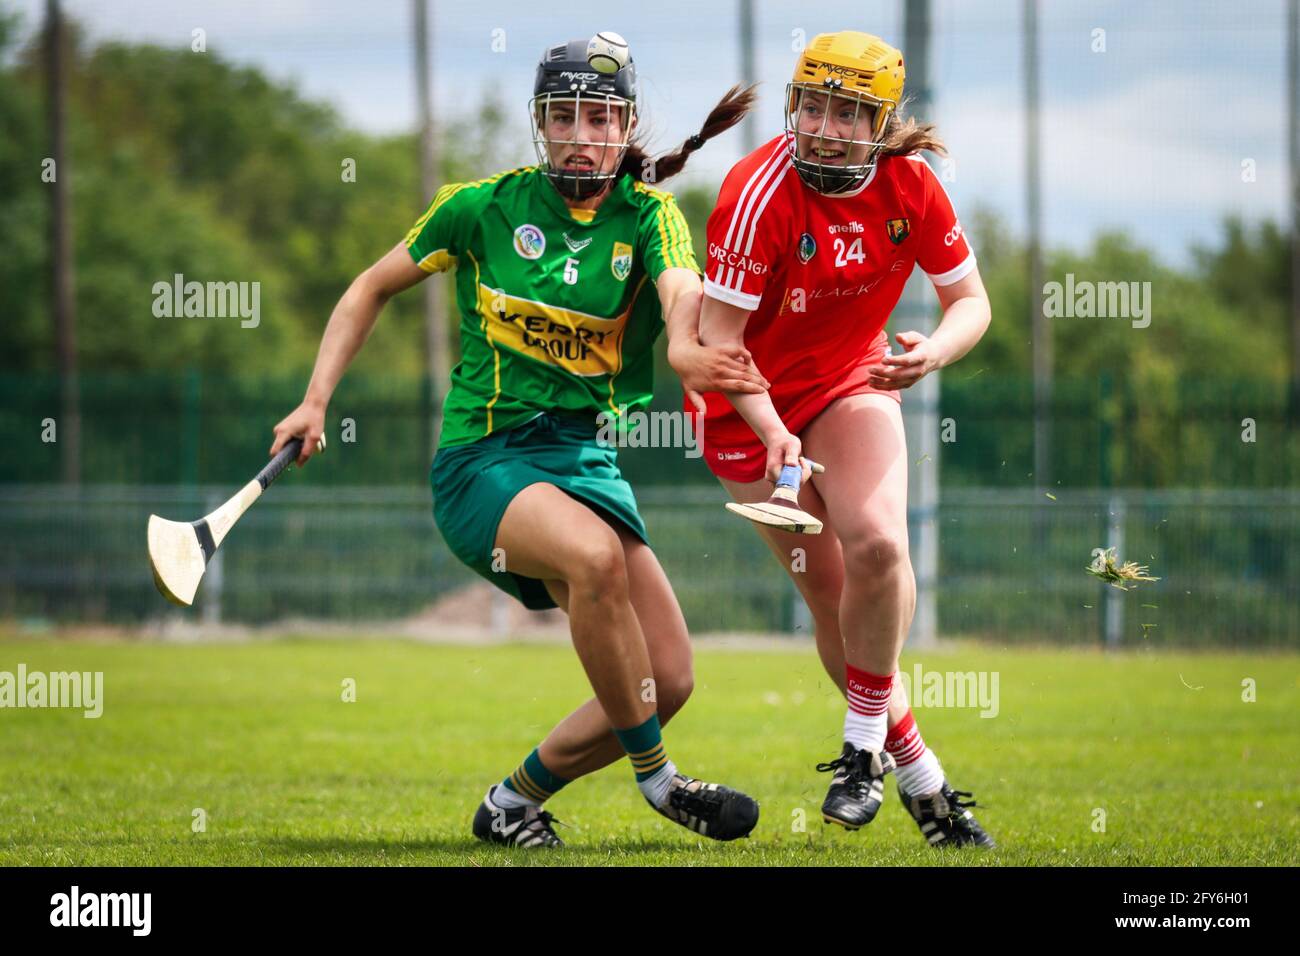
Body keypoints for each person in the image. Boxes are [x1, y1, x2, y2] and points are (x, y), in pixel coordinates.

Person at [271, 37, 768, 848]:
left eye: (601, 118)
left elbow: (681, 294)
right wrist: (314, 400)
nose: (582, 133)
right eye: (564, 115)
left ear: (627, 124)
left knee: (665, 680)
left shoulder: (649, 218)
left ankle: (512, 802)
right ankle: (661, 784)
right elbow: (367, 287)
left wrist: (685, 346)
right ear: (540, 124)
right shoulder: (480, 206)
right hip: (483, 464)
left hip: (584, 461)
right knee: (595, 560)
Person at [687, 30, 996, 847]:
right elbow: (720, 348)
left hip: (850, 377)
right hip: (740, 408)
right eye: (813, 105)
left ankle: (860, 753)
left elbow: (972, 304)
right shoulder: (758, 193)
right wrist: (772, 430)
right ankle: (924, 782)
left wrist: (934, 351)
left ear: (882, 122)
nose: (824, 126)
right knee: (832, 597)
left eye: (848, 113)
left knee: (880, 550)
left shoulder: (913, 186)